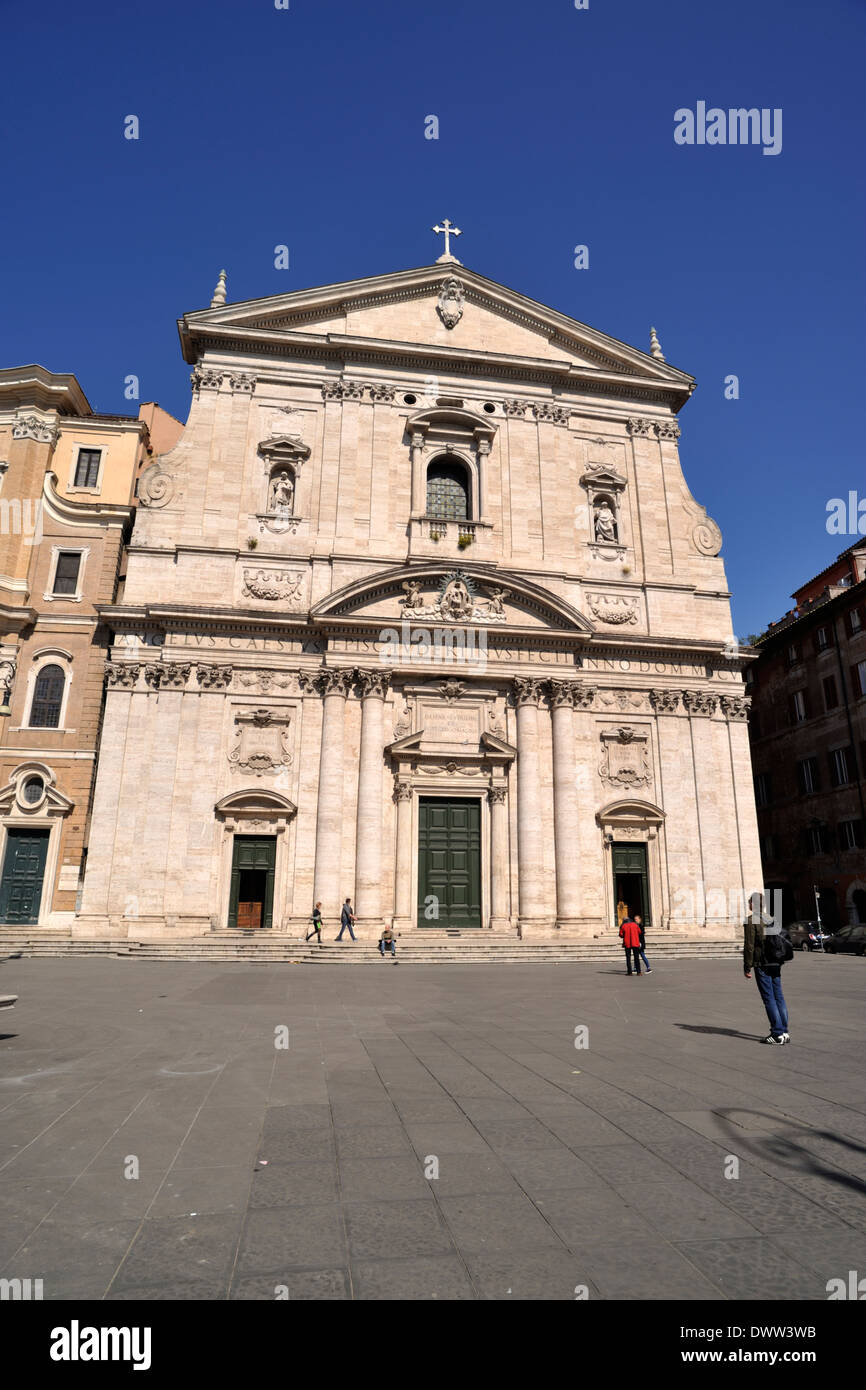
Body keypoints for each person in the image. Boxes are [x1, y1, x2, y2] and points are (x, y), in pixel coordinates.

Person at [743, 893, 792, 1044]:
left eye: (749, 902)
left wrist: (747, 966)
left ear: (753, 904)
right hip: (776, 963)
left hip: (762, 964)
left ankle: (777, 1034)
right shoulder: (771, 918)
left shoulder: (751, 921)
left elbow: (749, 946)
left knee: (769, 998)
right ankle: (784, 1032)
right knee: (779, 997)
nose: (748, 904)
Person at [619, 911, 642, 975]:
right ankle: (639, 972)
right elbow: (639, 932)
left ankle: (630, 972)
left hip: (627, 943)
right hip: (635, 942)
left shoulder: (623, 926)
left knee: (628, 958)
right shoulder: (635, 924)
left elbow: (621, 935)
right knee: (636, 957)